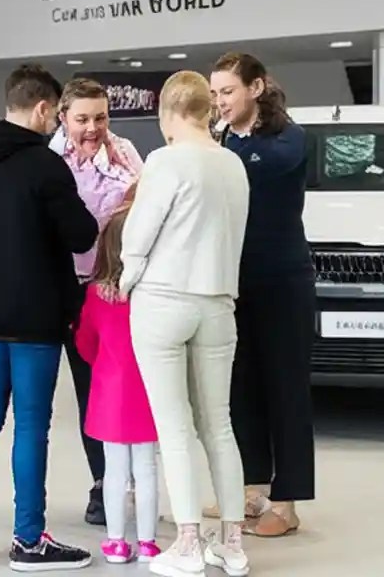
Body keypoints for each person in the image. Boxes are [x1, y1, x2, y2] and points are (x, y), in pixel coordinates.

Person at [0, 63, 98, 571]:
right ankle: (29, 540)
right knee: (32, 424)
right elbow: (81, 236)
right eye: (57, 115)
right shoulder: (44, 165)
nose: (58, 125)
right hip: (34, 319)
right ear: (40, 109)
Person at [121, 70, 251, 577]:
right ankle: (233, 545)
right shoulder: (234, 165)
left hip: (163, 302)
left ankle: (189, 544)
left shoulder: (165, 160)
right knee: (219, 425)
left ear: (170, 112)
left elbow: (138, 236)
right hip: (218, 302)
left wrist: (126, 280)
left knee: (174, 428)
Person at [211, 53, 316, 537]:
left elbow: (259, 168)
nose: (219, 102)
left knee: (285, 390)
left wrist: (209, 154)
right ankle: (251, 490)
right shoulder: (224, 138)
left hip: (283, 282)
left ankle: (288, 502)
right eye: (213, 94)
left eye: (227, 91)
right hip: (238, 282)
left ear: (255, 87)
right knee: (242, 386)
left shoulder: (287, 137)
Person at [49, 77, 144, 525]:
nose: (93, 128)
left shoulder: (124, 152)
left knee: (111, 390)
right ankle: (97, 483)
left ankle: (120, 483)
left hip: (114, 289)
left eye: (101, 117)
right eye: (83, 118)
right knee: (70, 393)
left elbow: (145, 211)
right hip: (64, 287)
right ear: (62, 116)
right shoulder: (47, 160)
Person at [74, 211, 160, 565]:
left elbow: (85, 344)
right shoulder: (155, 294)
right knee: (148, 469)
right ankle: (149, 542)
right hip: (149, 391)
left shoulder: (96, 295)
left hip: (109, 393)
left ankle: (115, 542)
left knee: (114, 471)